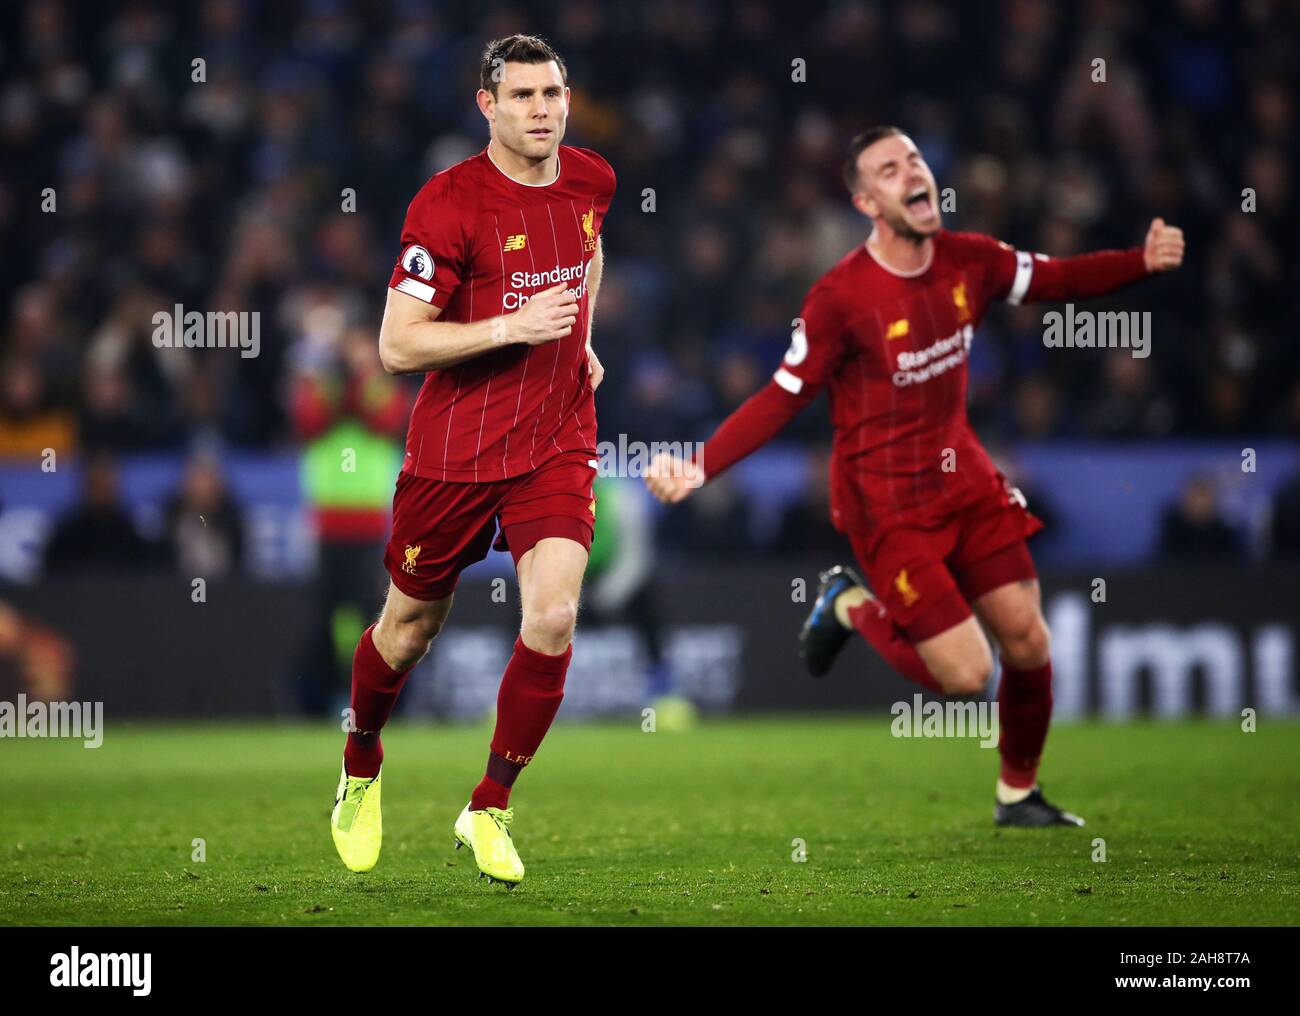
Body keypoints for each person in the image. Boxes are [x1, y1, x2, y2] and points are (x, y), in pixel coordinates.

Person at [646, 126, 1185, 828]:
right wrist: (699, 466)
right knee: (965, 676)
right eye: (890, 170)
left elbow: (1056, 279)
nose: (912, 174)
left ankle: (1018, 795)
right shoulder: (840, 298)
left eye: (916, 161)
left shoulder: (973, 260)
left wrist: (1139, 262)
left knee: (1028, 640)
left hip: (967, 484)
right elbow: (780, 397)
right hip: (887, 508)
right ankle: (848, 606)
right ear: (868, 201)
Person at [329, 34, 616, 888]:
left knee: (554, 616)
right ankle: (359, 765)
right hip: (456, 450)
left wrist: (583, 340)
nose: (543, 111)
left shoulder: (592, 179)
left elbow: (590, 252)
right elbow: (394, 345)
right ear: (486, 105)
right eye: (523, 96)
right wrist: (511, 328)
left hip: (557, 435)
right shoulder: (448, 203)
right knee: (408, 630)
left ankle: (490, 802)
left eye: (554, 94)